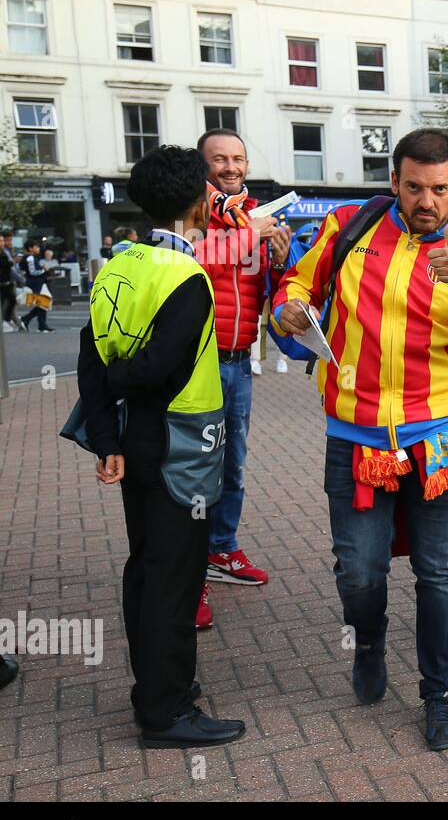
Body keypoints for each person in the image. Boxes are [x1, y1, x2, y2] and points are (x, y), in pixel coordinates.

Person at [272, 128, 448, 751]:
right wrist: (288, 308)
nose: (426, 201)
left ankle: (441, 692)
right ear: (395, 183)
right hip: (354, 437)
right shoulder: (346, 230)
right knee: (358, 573)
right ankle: (368, 641)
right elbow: (297, 287)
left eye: (439, 190)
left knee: (440, 574)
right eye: (413, 187)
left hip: (440, 438)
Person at [76, 144, 246, 749]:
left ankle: (155, 685)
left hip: (132, 441)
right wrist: (127, 382)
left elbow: (90, 363)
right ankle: (165, 711)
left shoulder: (116, 267)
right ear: (201, 202)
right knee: (174, 575)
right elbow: (159, 367)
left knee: (145, 567)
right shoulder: (187, 275)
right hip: (180, 445)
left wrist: (105, 438)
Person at [195, 127, 293, 610]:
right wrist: (246, 236)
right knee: (195, 469)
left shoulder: (254, 217)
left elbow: (265, 290)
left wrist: (279, 258)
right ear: (203, 166)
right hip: (197, 364)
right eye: (220, 159)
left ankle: (221, 548)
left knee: (233, 463)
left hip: (238, 362)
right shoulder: (194, 211)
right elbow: (193, 258)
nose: (230, 167)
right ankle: (189, 573)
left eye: (238, 158)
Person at [18, 239, 54, 332]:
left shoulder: (32, 257)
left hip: (38, 283)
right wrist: (44, 270)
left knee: (43, 303)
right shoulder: (30, 258)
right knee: (44, 301)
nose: (38, 248)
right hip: (35, 283)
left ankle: (34, 322)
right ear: (30, 248)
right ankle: (37, 323)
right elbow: (33, 271)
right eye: (36, 247)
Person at [1, 231, 19, 332]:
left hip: (10, 279)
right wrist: (13, 261)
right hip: (6, 280)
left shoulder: (10, 250)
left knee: (10, 300)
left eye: (10, 240)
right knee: (9, 300)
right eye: (6, 240)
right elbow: (7, 265)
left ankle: (10, 321)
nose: (8, 242)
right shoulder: (4, 252)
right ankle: (13, 321)